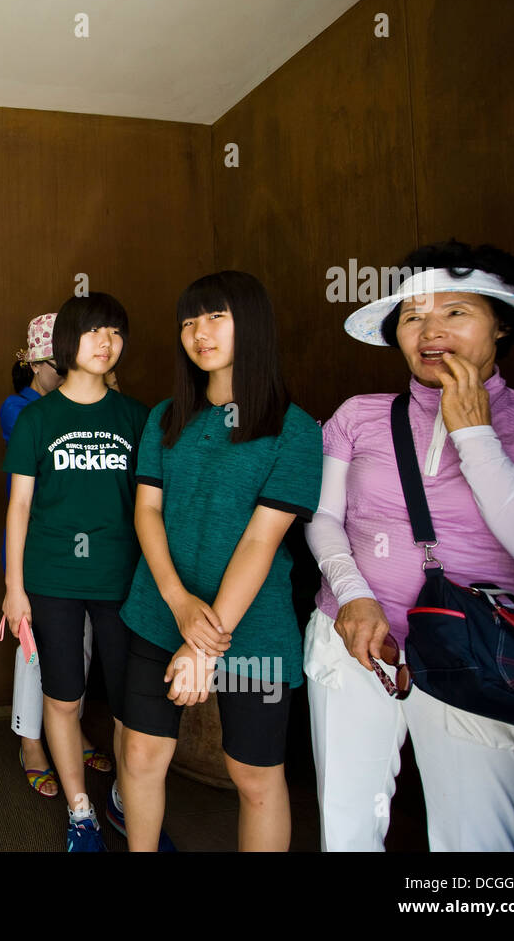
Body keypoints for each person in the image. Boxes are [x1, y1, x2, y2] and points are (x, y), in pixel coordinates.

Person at [304, 241, 514, 851]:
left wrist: (474, 432)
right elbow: (322, 519)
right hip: (353, 637)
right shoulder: (359, 414)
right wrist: (353, 596)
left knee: (475, 843)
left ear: (501, 322)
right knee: (346, 826)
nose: (429, 330)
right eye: (411, 316)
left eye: (454, 311)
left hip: (482, 652)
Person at [118, 271, 322, 852]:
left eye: (215, 317)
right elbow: (147, 514)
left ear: (251, 324)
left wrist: (206, 640)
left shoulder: (295, 431)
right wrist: (180, 604)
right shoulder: (164, 417)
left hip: (254, 630)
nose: (198, 333)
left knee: (254, 776)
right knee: (140, 753)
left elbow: (261, 542)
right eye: (188, 321)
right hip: (158, 613)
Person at [1, 292, 149, 851]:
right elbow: (18, 507)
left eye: (114, 332)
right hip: (53, 580)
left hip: (123, 582)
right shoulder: (38, 418)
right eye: (91, 332)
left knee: (132, 707)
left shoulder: (137, 417)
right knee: (63, 701)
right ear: (66, 344)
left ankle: (128, 802)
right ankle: (80, 810)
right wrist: (15, 589)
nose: (105, 342)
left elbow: (150, 507)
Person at [0, 313, 110, 800]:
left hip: (87, 557)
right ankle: (30, 743)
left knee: (77, 650)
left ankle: (73, 729)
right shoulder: (20, 408)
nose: (62, 372)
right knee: (35, 651)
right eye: (54, 364)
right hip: (35, 551)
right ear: (36, 364)